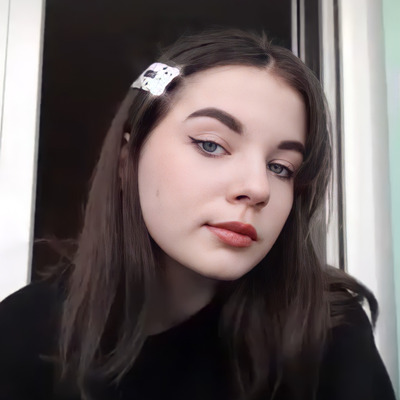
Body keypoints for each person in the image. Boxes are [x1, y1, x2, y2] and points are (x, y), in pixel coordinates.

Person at [0, 29, 396, 400]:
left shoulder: (326, 333)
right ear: (127, 160)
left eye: (281, 168)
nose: (258, 188)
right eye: (211, 145)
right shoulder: (23, 332)